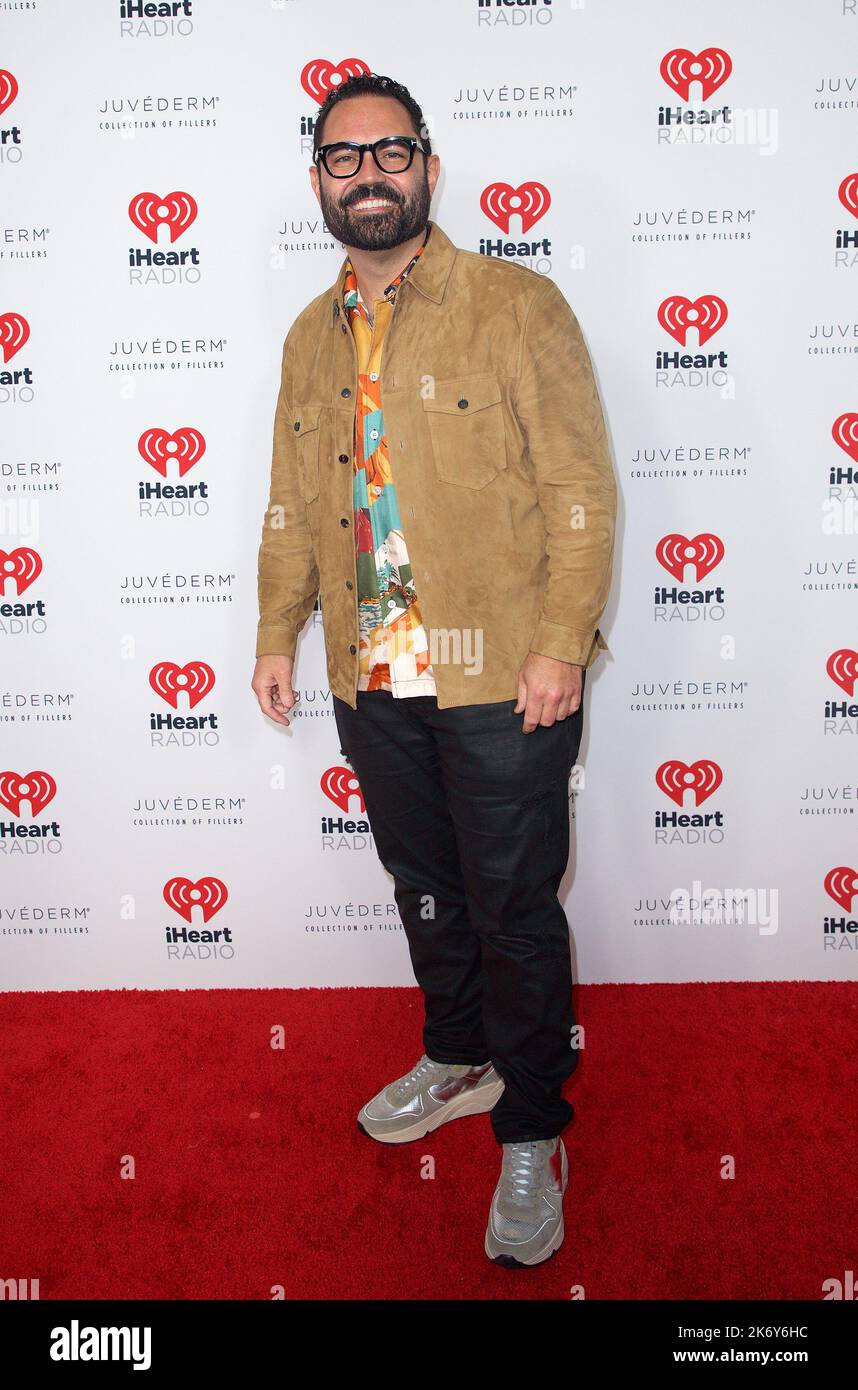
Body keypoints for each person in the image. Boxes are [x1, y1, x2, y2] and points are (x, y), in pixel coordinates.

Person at [251, 71, 617, 1268]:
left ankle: (531, 1125)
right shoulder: (312, 337)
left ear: (429, 167)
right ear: (318, 180)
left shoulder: (518, 305)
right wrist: (276, 629)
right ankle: (457, 1051)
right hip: (375, 677)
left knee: (515, 907)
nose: (370, 175)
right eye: (345, 158)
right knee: (426, 885)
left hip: (501, 674)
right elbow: (293, 510)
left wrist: (561, 639)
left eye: (391, 152)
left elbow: (578, 490)